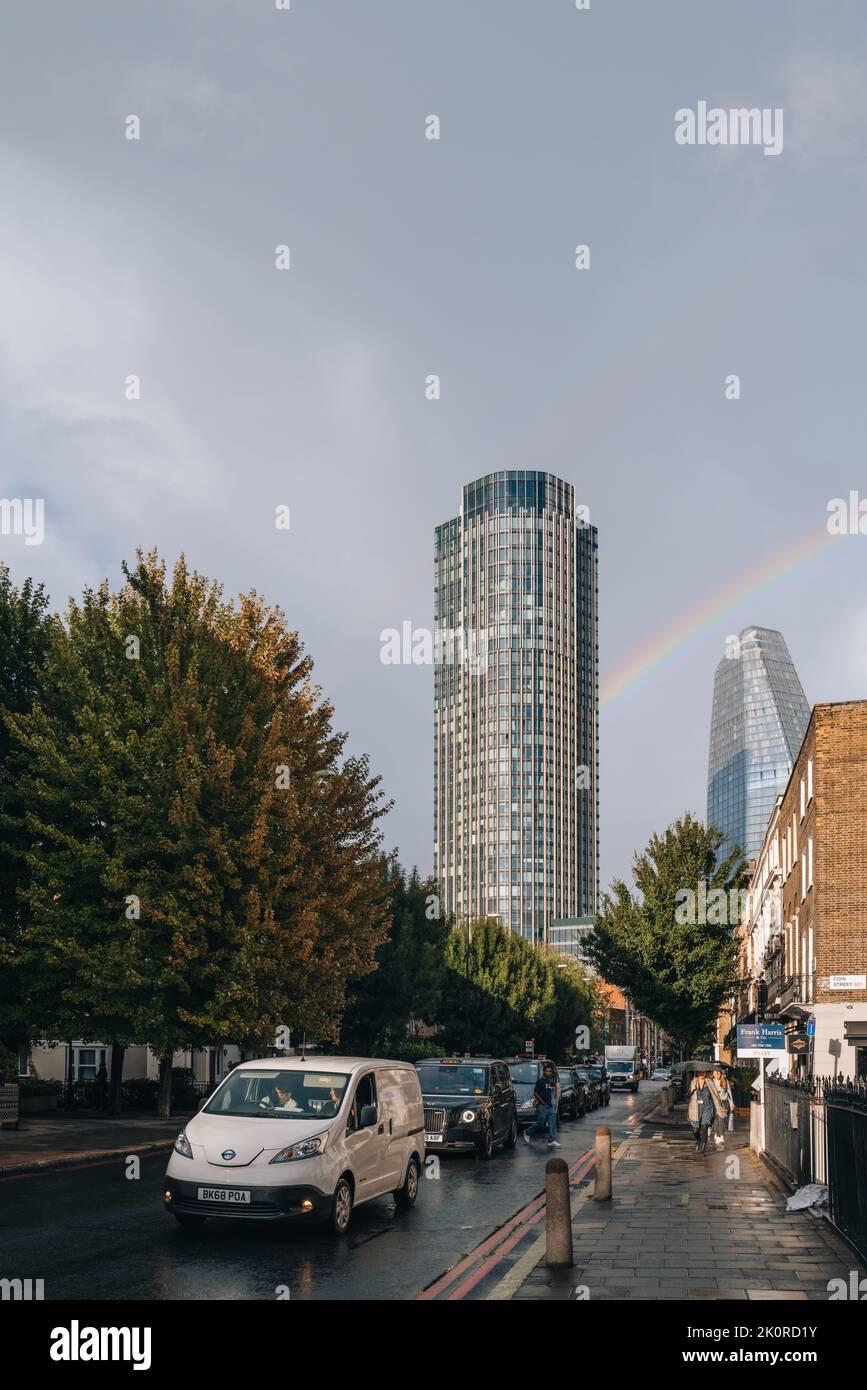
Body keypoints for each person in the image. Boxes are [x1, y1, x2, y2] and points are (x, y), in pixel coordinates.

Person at [523, 1063, 560, 1147]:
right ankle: (527, 1132)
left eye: (550, 1071)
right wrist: (543, 1103)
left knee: (552, 1123)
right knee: (540, 1123)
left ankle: (552, 1140)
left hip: (549, 1106)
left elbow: (550, 1091)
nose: (549, 1073)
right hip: (542, 1106)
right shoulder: (540, 1081)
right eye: (547, 1071)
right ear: (544, 1072)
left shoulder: (548, 1081)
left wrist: (551, 1103)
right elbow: (535, 1093)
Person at [688, 1070, 714, 1154]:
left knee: (704, 1128)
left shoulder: (710, 1082)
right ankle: (698, 1140)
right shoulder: (693, 1082)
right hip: (695, 1108)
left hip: (707, 1108)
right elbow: (688, 1095)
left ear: (706, 1073)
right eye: (700, 1072)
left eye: (704, 1072)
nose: (702, 1073)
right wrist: (692, 1090)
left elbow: (715, 1095)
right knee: (695, 1130)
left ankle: (703, 1148)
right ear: (697, 1073)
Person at [708, 1067, 735, 1147]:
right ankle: (717, 1134)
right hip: (715, 1102)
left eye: (718, 1073)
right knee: (716, 1119)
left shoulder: (725, 1081)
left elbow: (729, 1092)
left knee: (722, 1119)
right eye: (715, 1074)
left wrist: (731, 1103)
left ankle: (721, 1135)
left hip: (724, 1102)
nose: (717, 1075)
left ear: (721, 1073)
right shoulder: (711, 1082)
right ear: (713, 1074)